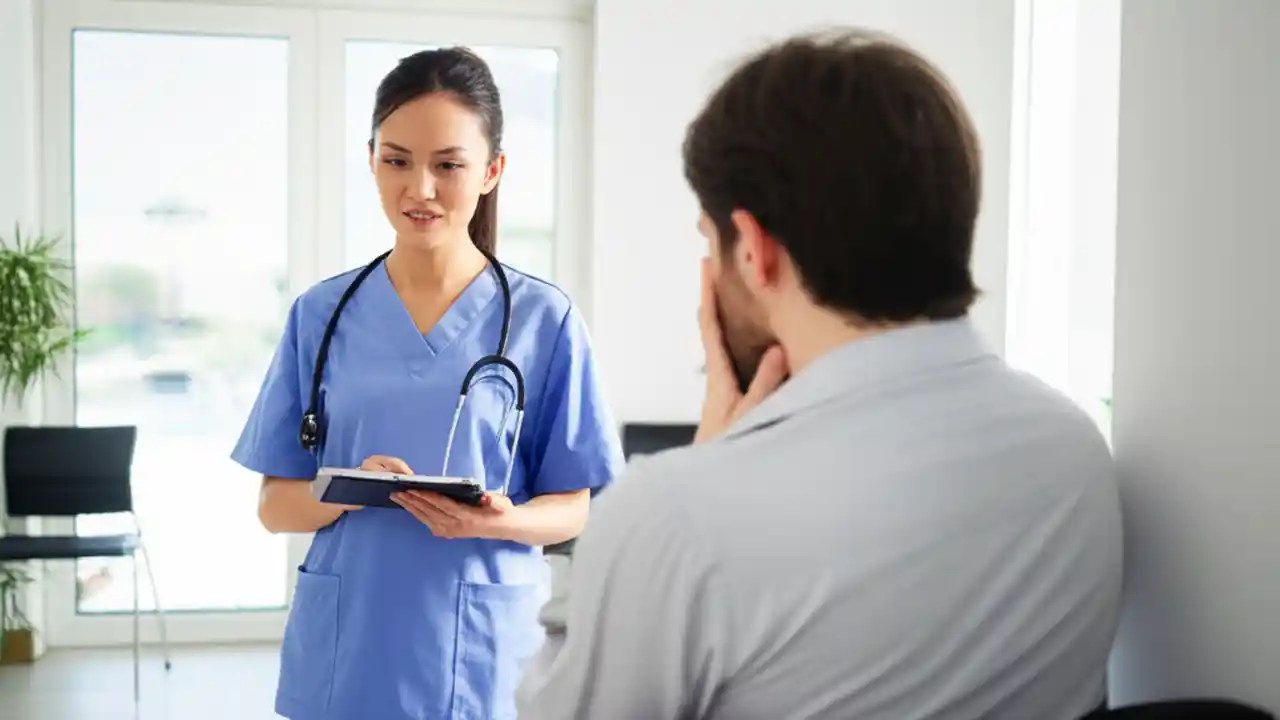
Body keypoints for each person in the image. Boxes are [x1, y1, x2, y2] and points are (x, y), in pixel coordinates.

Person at [516, 29, 1123, 719]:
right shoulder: (1076, 453)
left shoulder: (674, 519)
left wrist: (705, 466)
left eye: (710, 244)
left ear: (756, 251)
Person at [231, 47, 624, 720]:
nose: (420, 188)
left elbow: (578, 504)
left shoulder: (544, 320)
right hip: (347, 653)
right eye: (397, 160)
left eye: (448, 164)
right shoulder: (321, 316)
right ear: (372, 159)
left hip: (483, 657)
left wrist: (500, 518)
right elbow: (275, 506)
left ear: (492, 171)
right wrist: (348, 488)